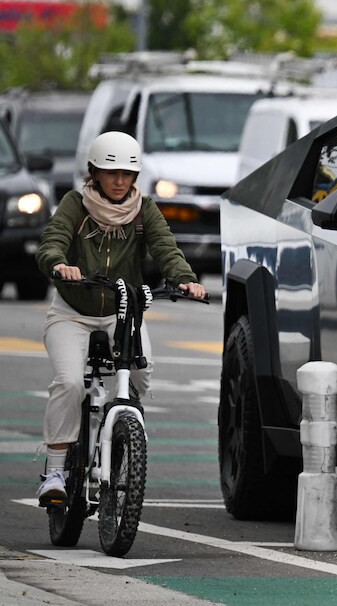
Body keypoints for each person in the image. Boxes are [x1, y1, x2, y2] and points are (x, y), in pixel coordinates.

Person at [33, 131, 206, 506]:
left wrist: (186, 281)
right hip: (72, 313)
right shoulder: (75, 204)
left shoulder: (144, 210)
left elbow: (166, 249)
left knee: (141, 374)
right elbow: (53, 239)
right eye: (110, 173)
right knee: (68, 383)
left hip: (122, 312)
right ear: (93, 172)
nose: (119, 181)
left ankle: (117, 434)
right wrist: (59, 264)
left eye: (127, 174)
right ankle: (57, 471)